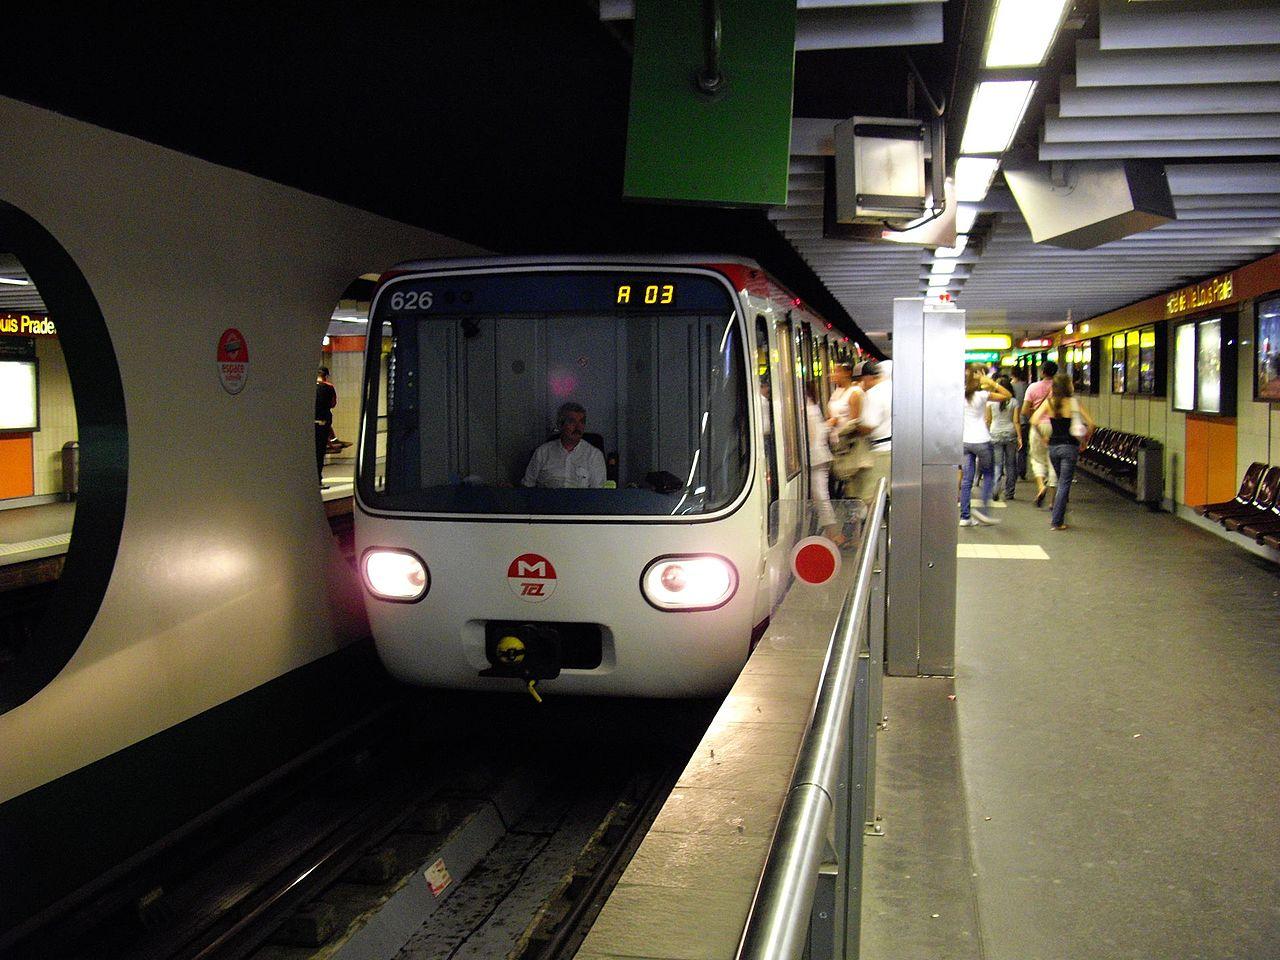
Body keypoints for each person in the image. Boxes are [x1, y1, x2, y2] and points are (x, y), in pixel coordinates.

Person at [1031, 373, 1095, 530]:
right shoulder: (1074, 403)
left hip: (1053, 447)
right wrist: (1084, 440)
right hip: (1070, 447)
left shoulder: (1049, 403)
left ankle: (1059, 516)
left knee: (1061, 482)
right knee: (1064, 484)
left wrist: (1044, 437)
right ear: (1068, 386)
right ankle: (1057, 521)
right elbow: (1091, 423)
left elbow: (1033, 420)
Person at [960, 366, 1011, 526]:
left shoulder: (959, 394)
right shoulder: (982, 395)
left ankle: (965, 517)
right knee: (988, 476)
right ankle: (983, 512)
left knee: (967, 480)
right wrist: (991, 383)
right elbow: (1007, 395)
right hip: (982, 441)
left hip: (965, 442)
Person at [522, 401, 607, 488]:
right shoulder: (542, 452)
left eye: (581, 422)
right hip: (548, 500)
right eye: (572, 422)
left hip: (581, 501)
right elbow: (527, 486)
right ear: (560, 425)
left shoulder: (594, 455)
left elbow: (598, 494)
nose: (578, 427)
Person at [805, 382, 845, 545]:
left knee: (821, 496)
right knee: (820, 496)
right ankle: (832, 532)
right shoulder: (812, 406)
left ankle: (834, 533)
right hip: (820, 457)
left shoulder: (808, 410)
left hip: (816, 459)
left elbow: (813, 437)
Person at [849, 360, 891, 503]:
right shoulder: (895, 390)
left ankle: (873, 525)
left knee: (871, 499)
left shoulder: (874, 394)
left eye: (862, 379)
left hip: (879, 453)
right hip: (897, 450)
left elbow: (868, 426)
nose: (862, 384)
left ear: (868, 377)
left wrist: (855, 427)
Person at [1021, 360, 1059, 508]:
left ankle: (1041, 486)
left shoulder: (1033, 387)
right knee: (1053, 462)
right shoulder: (1059, 388)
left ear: (1042, 372)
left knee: (1036, 459)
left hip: (1037, 425)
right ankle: (1052, 501)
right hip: (1056, 426)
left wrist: (1035, 412)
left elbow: (1024, 410)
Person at [988, 374, 1021, 501]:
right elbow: (1016, 421)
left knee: (997, 465)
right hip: (1010, 434)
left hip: (995, 434)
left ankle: (995, 489)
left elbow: (988, 420)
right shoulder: (1014, 402)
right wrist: (1019, 437)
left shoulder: (990, 402)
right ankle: (1009, 492)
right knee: (1011, 465)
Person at [314, 366, 337, 485]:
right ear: (326, 376)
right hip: (323, 424)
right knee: (319, 452)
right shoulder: (329, 387)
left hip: (309, 424)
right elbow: (333, 404)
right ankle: (318, 479)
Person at [1010, 368, 1030, 479]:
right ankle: (1022, 471)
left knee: (1011, 450)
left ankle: (1012, 471)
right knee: (1023, 447)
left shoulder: (1007, 387)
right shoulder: (1026, 386)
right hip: (1023, 421)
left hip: (1011, 421)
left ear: (1012, 374)